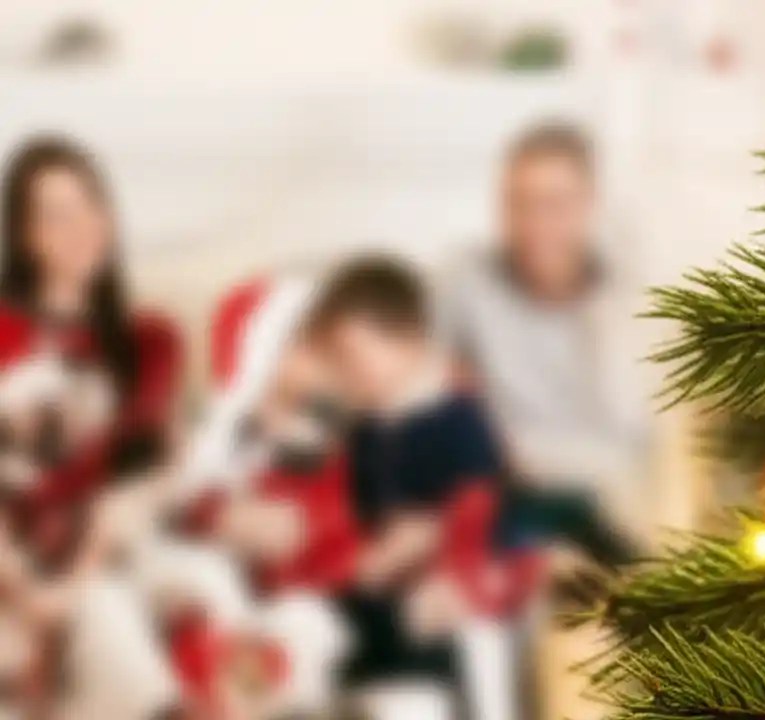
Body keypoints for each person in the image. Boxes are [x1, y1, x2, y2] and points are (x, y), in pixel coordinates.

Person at [440, 123, 649, 718]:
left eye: (554, 204)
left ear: (588, 207)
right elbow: (429, 391)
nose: (534, 224)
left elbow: (636, 432)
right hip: (503, 495)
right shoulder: (464, 283)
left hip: (606, 496)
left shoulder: (626, 297)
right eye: (517, 204)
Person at [308, 256, 540, 720]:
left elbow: (495, 512)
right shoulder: (363, 434)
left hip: (463, 589)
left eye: (353, 356)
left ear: (410, 342)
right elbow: (353, 522)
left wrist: (439, 541)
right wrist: (370, 558)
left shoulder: (459, 419)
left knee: (473, 629)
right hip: (387, 606)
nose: (345, 374)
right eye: (336, 361)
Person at [0, 137, 183, 718]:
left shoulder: (149, 342)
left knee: (109, 615)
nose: (80, 226)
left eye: (90, 205)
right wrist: (21, 586)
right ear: (26, 237)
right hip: (7, 561)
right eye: (55, 215)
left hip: (95, 565)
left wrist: (72, 586)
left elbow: (135, 485)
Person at [173, 276, 362, 717]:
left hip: (299, 605)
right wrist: (218, 518)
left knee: (306, 628)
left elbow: (343, 535)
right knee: (202, 602)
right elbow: (174, 508)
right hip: (212, 607)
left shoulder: (331, 443)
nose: (319, 368)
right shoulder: (209, 441)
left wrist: (303, 528)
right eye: (304, 347)